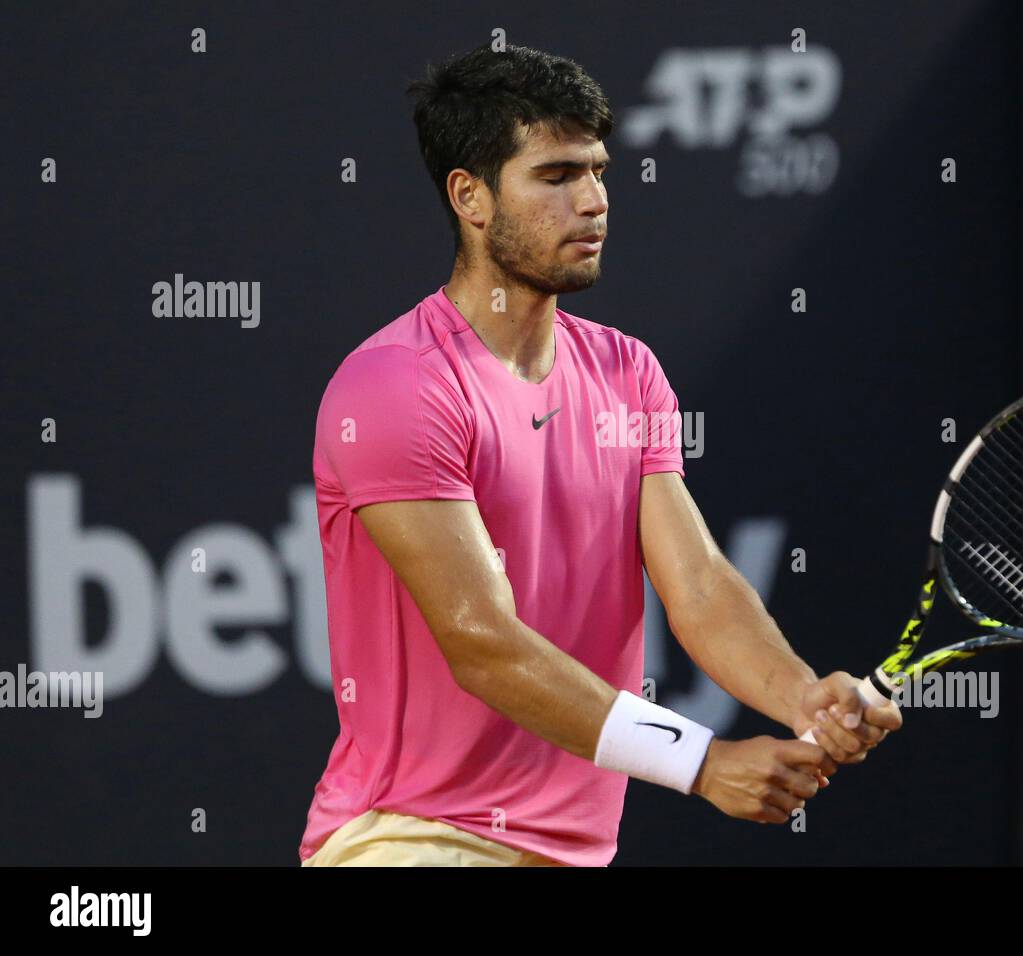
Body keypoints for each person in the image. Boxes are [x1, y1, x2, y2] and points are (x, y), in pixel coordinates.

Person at [299, 42, 901, 868]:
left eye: (597, 171)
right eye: (554, 176)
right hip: (414, 837)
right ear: (470, 197)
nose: (592, 201)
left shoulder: (627, 372)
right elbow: (482, 642)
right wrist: (699, 762)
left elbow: (697, 587)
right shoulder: (397, 388)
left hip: (573, 849)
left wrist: (803, 697)